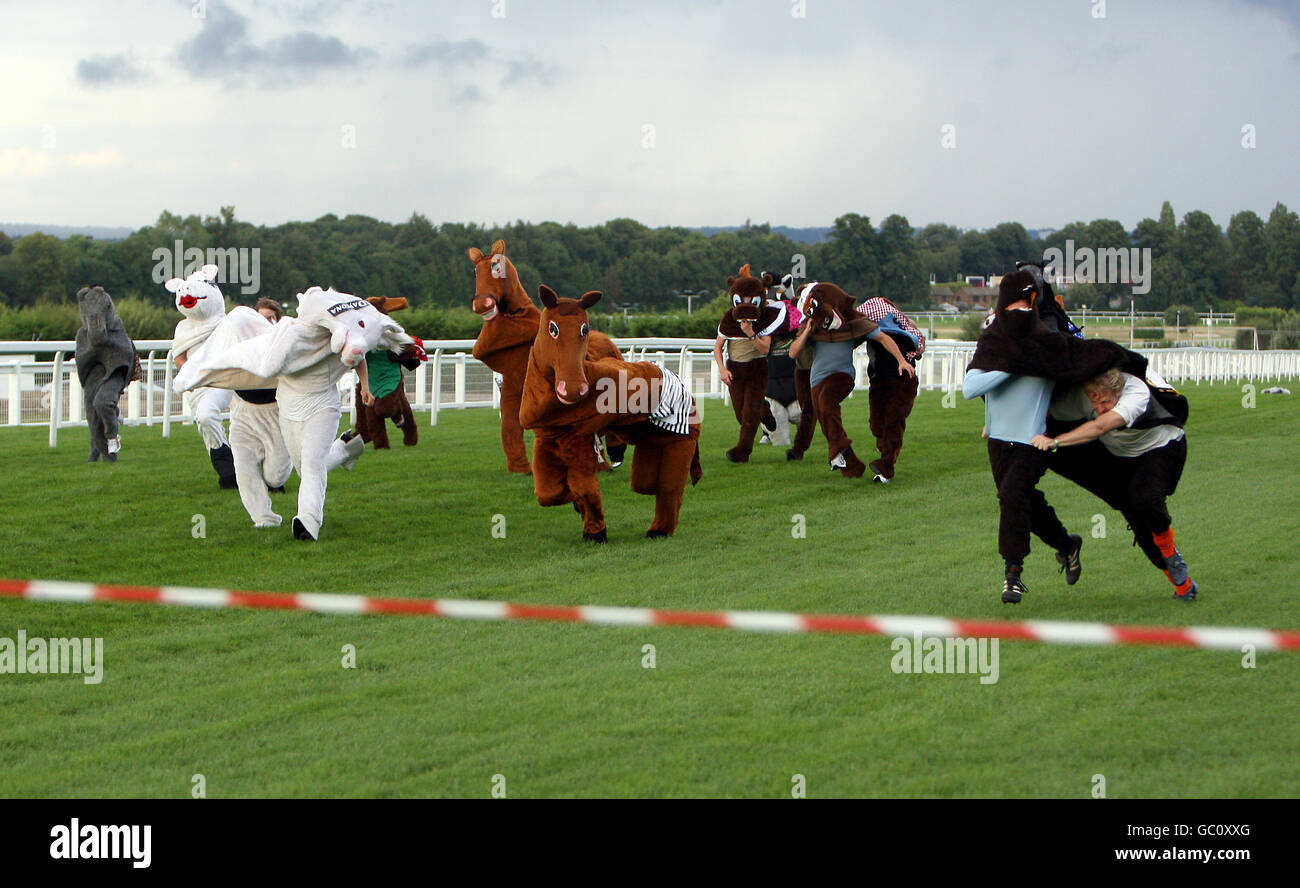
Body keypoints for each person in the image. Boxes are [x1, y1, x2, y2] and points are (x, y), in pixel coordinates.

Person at [1032, 367, 1197, 601]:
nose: (1099, 408)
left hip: (1163, 447)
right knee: (1139, 525)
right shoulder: (1083, 395)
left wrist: (1055, 441)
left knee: (1145, 499)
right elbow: (1039, 408)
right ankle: (1184, 586)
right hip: (1122, 458)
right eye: (1094, 402)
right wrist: (997, 421)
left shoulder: (1136, 392)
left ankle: (1171, 553)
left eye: (1106, 402)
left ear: (1118, 390)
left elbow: (1100, 427)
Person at [789, 282, 914, 478]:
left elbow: (883, 338)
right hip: (816, 381)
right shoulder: (814, 327)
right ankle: (851, 465)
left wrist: (901, 361)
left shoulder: (853, 324)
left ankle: (838, 450)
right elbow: (793, 352)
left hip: (842, 376)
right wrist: (806, 331)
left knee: (826, 402)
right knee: (825, 419)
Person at [224, 298, 295, 528]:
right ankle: (263, 517)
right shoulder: (240, 346)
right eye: (260, 318)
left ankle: (340, 448)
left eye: (269, 318)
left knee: (276, 476)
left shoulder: (288, 346)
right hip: (243, 412)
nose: (263, 323)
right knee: (243, 467)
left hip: (276, 412)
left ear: (278, 321)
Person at [167, 265, 236, 489]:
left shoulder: (227, 323)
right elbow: (179, 355)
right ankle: (228, 471)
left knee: (207, 415)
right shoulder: (183, 328)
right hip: (198, 384)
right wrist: (192, 374)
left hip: (224, 379)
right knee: (204, 422)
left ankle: (229, 464)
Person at [854, 297, 925, 483]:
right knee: (877, 425)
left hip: (903, 381)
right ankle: (886, 452)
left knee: (893, 422)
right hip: (878, 382)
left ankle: (886, 467)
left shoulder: (901, 330)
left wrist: (903, 360)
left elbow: (916, 345)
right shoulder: (872, 329)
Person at [74, 286, 137, 463]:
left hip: (115, 370)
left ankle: (112, 434)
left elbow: (125, 352)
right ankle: (105, 458)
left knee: (102, 402)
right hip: (93, 373)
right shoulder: (82, 335)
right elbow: (83, 355)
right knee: (93, 416)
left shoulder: (117, 330)